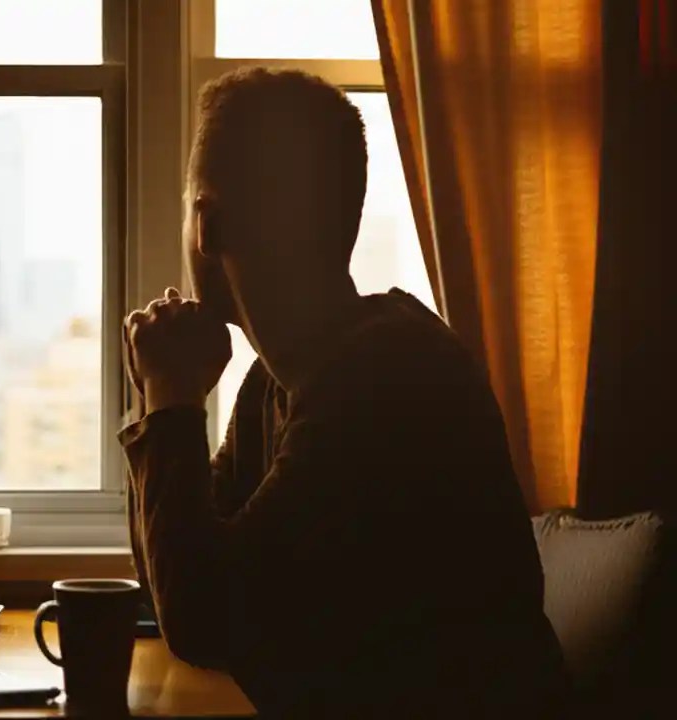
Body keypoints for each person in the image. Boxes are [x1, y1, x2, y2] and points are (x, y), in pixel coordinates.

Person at [121, 68, 569, 717]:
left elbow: (203, 619)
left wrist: (167, 392)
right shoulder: (274, 386)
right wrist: (163, 403)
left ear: (207, 223)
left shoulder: (383, 379)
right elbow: (174, 587)